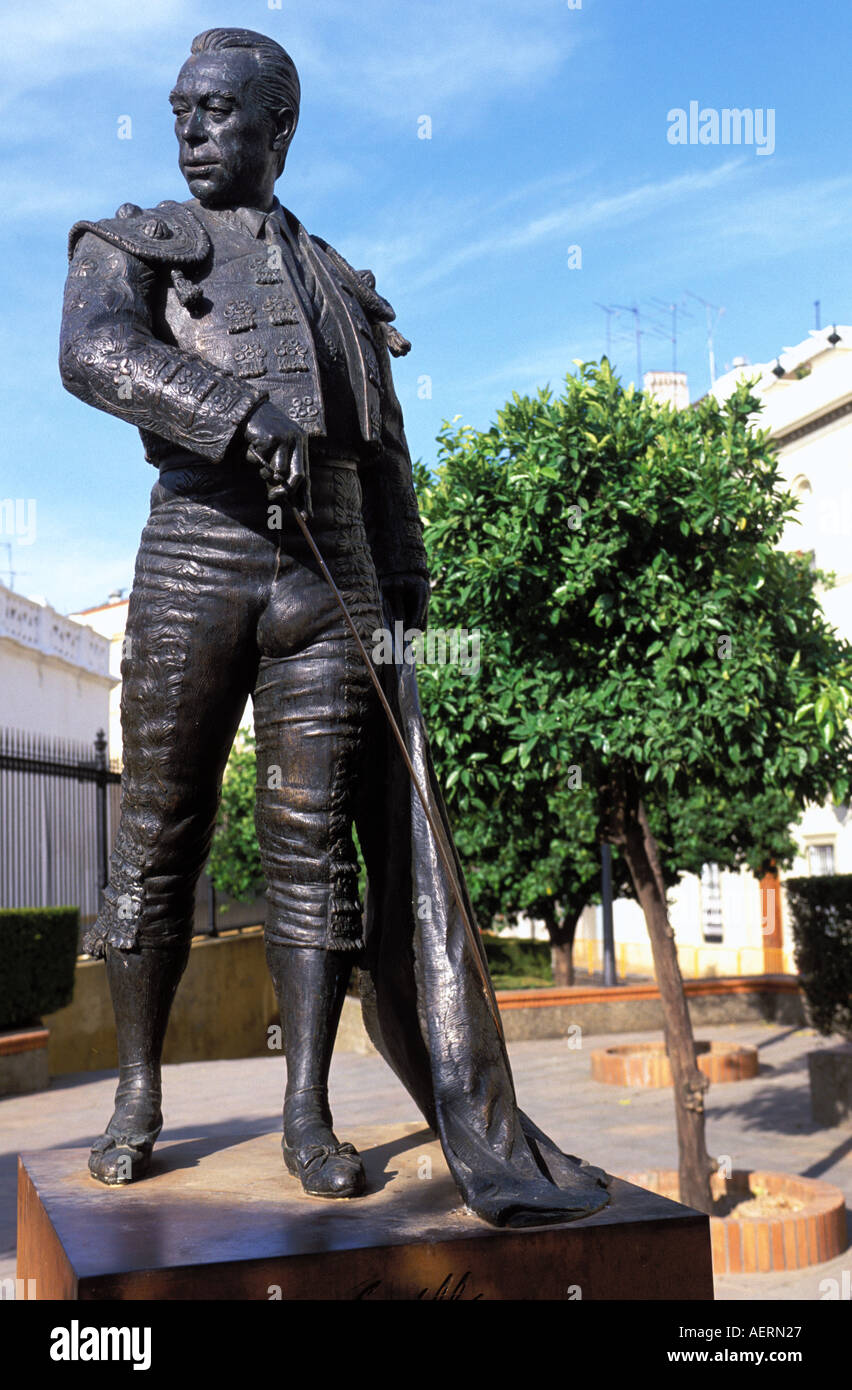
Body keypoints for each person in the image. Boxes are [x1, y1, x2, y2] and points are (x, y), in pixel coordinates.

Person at [61, 26, 610, 1226]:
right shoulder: (133, 242)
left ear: (279, 130)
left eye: (217, 112)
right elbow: (93, 353)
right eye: (181, 110)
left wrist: (405, 582)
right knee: (159, 832)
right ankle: (138, 1095)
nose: (192, 130)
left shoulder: (342, 282)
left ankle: (308, 1112)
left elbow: (389, 446)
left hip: (338, 573)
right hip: (197, 555)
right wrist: (227, 405)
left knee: (315, 846)